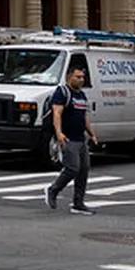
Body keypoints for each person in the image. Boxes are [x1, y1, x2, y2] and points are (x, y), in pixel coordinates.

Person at [45, 65, 99, 215]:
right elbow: (57, 113)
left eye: (83, 77)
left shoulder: (81, 95)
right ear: (70, 78)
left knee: (83, 171)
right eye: (78, 77)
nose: (81, 80)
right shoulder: (62, 92)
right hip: (68, 138)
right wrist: (59, 133)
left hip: (81, 139)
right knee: (72, 168)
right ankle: (53, 190)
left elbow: (84, 117)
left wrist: (92, 134)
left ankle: (78, 203)